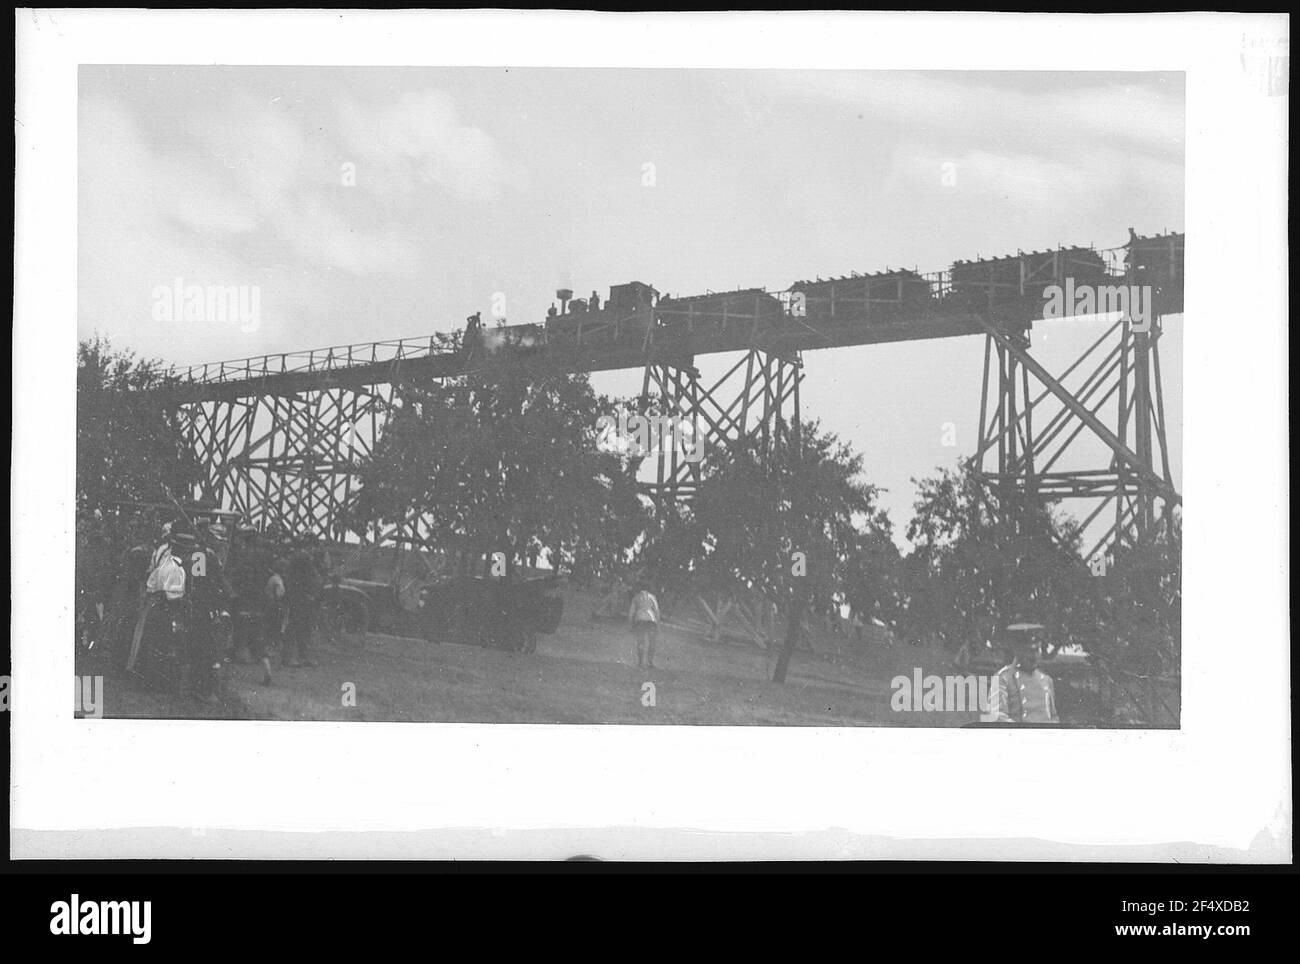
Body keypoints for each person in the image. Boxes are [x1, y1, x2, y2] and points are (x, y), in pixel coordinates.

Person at [987, 630, 1059, 723]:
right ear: (1018, 652)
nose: (1034, 656)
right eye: (1029, 651)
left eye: (1036, 650)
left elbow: (1053, 716)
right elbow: (997, 715)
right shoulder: (1004, 678)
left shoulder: (1046, 680)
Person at [282, 545, 322, 667]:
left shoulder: (309, 566)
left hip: (307, 598)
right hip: (299, 597)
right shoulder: (299, 562)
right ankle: (289, 657)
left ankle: (302, 656)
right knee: (295, 626)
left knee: (306, 627)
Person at [628, 584, 661, 670]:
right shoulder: (652, 597)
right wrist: (658, 625)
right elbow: (657, 611)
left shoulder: (636, 597)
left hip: (640, 620)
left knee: (640, 642)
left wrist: (631, 625)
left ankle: (640, 663)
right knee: (652, 642)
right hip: (652, 620)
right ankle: (650, 662)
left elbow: (631, 613)